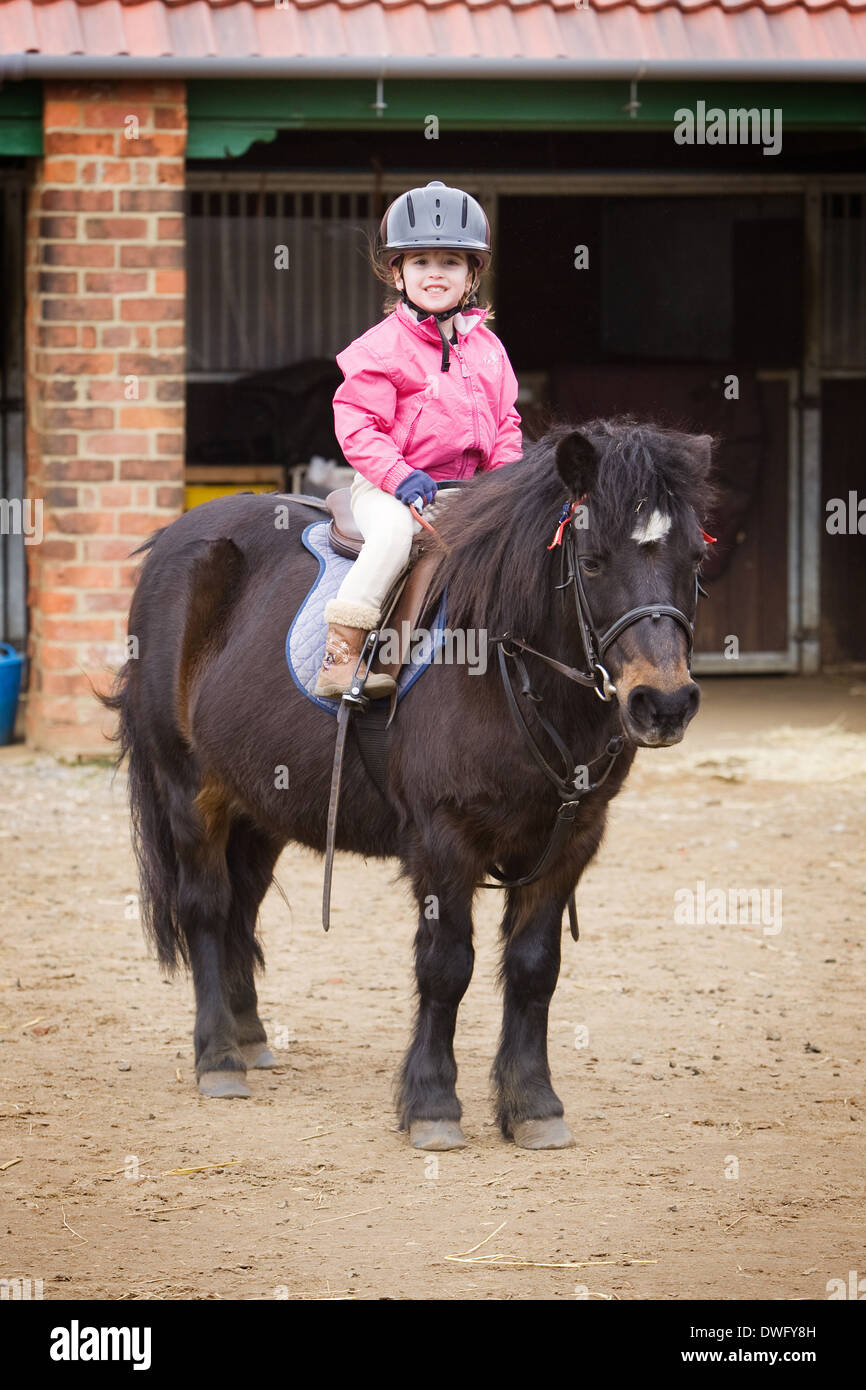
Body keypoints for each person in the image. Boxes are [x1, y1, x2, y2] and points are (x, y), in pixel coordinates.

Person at [314, 180, 523, 699]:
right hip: (390, 486)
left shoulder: (491, 349)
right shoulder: (379, 349)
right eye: (421, 261)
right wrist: (399, 475)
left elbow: (506, 426)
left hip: (468, 488)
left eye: (450, 261)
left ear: (473, 273)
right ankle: (341, 654)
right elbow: (360, 427)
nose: (435, 273)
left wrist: (505, 483)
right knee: (393, 540)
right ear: (397, 272)